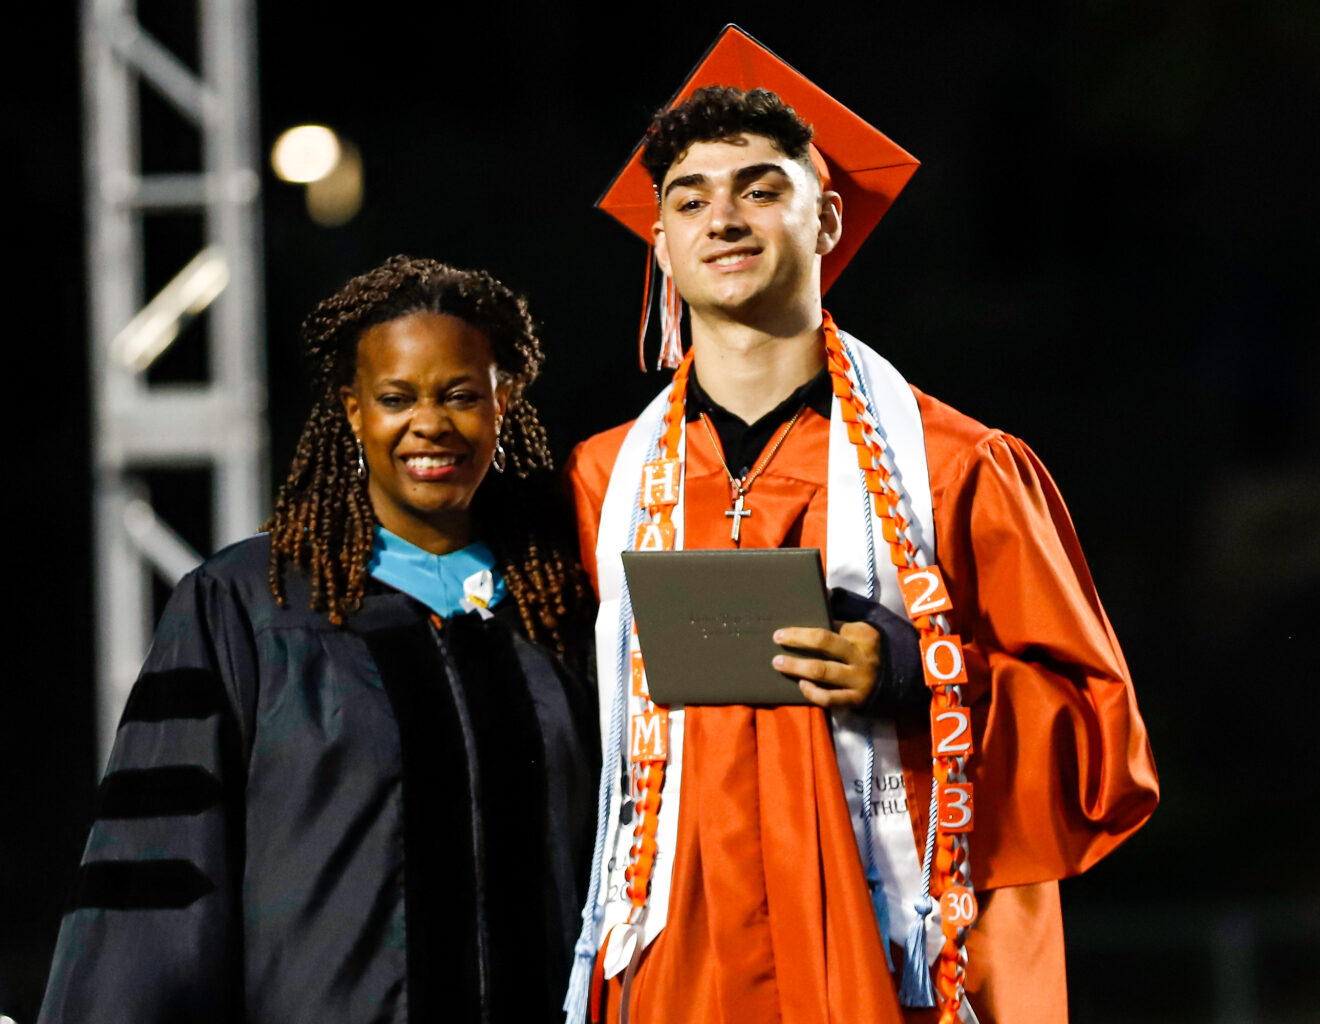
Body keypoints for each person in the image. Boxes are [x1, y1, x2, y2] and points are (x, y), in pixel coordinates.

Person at [561, 27, 1159, 1024]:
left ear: (827, 217)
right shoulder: (605, 478)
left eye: (761, 189)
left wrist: (922, 675)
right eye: (690, 198)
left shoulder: (957, 465)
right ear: (660, 242)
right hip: (678, 957)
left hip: (887, 953)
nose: (724, 218)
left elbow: (1100, 740)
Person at [40, 255, 595, 1023]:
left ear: (505, 400)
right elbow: (159, 876)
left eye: (462, 395)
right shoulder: (248, 605)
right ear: (353, 410)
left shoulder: (560, 610)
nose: (429, 423)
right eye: (396, 397)